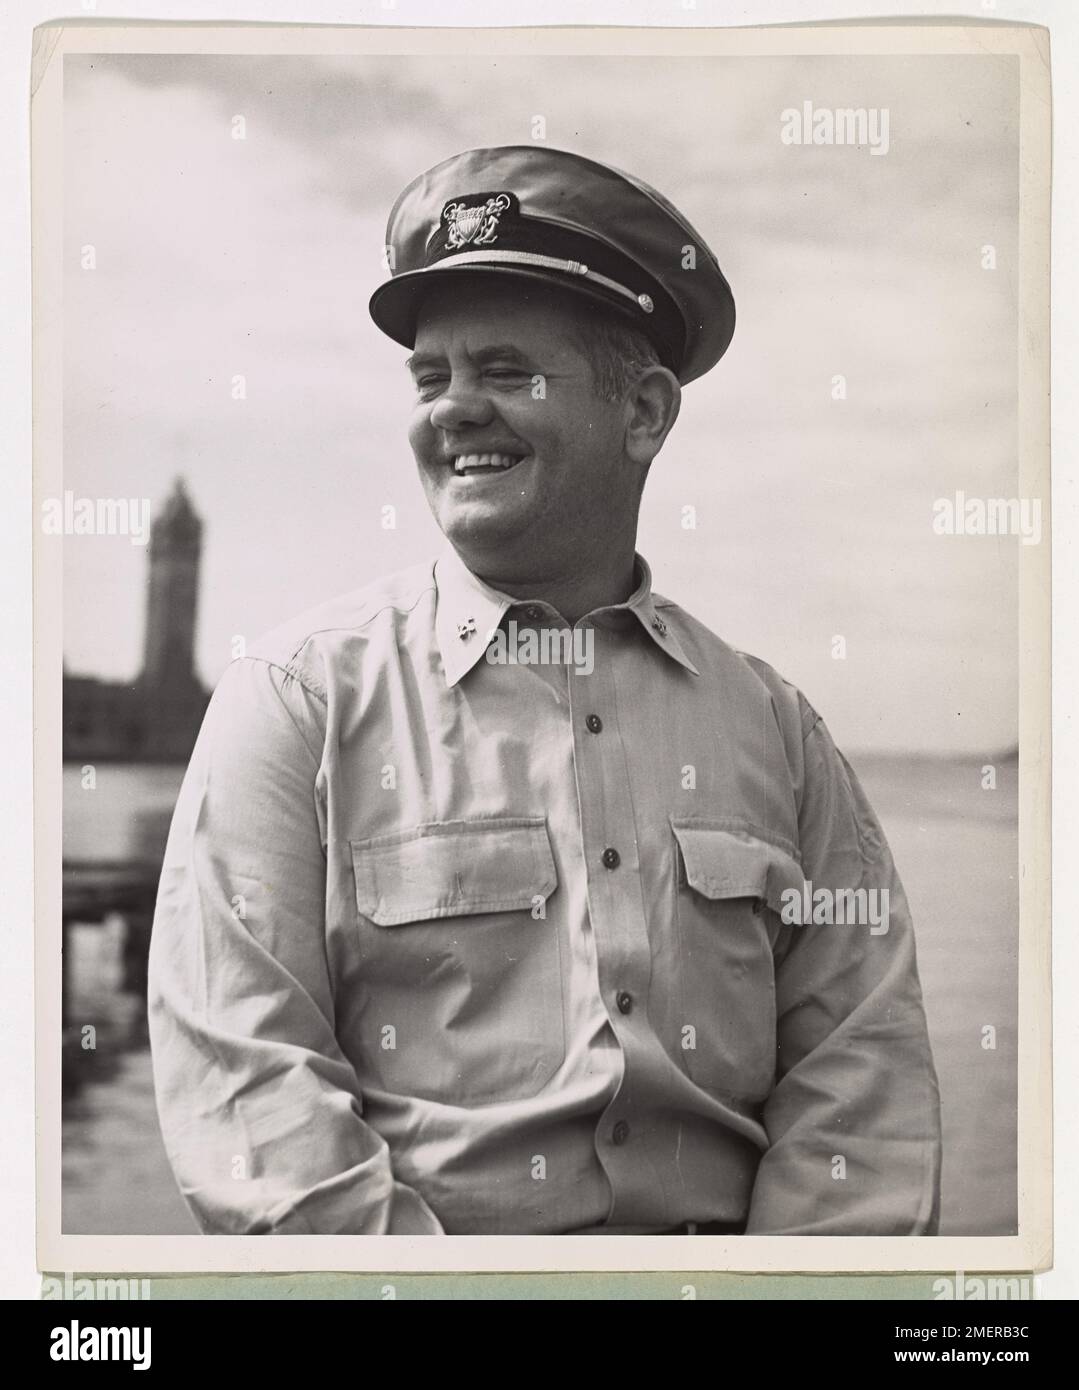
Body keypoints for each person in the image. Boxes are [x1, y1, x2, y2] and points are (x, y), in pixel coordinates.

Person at [148, 145, 942, 1235]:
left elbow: (862, 1095)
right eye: (431, 379)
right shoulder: (293, 700)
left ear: (645, 413)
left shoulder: (776, 730)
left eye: (506, 373)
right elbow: (248, 1097)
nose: (453, 410)